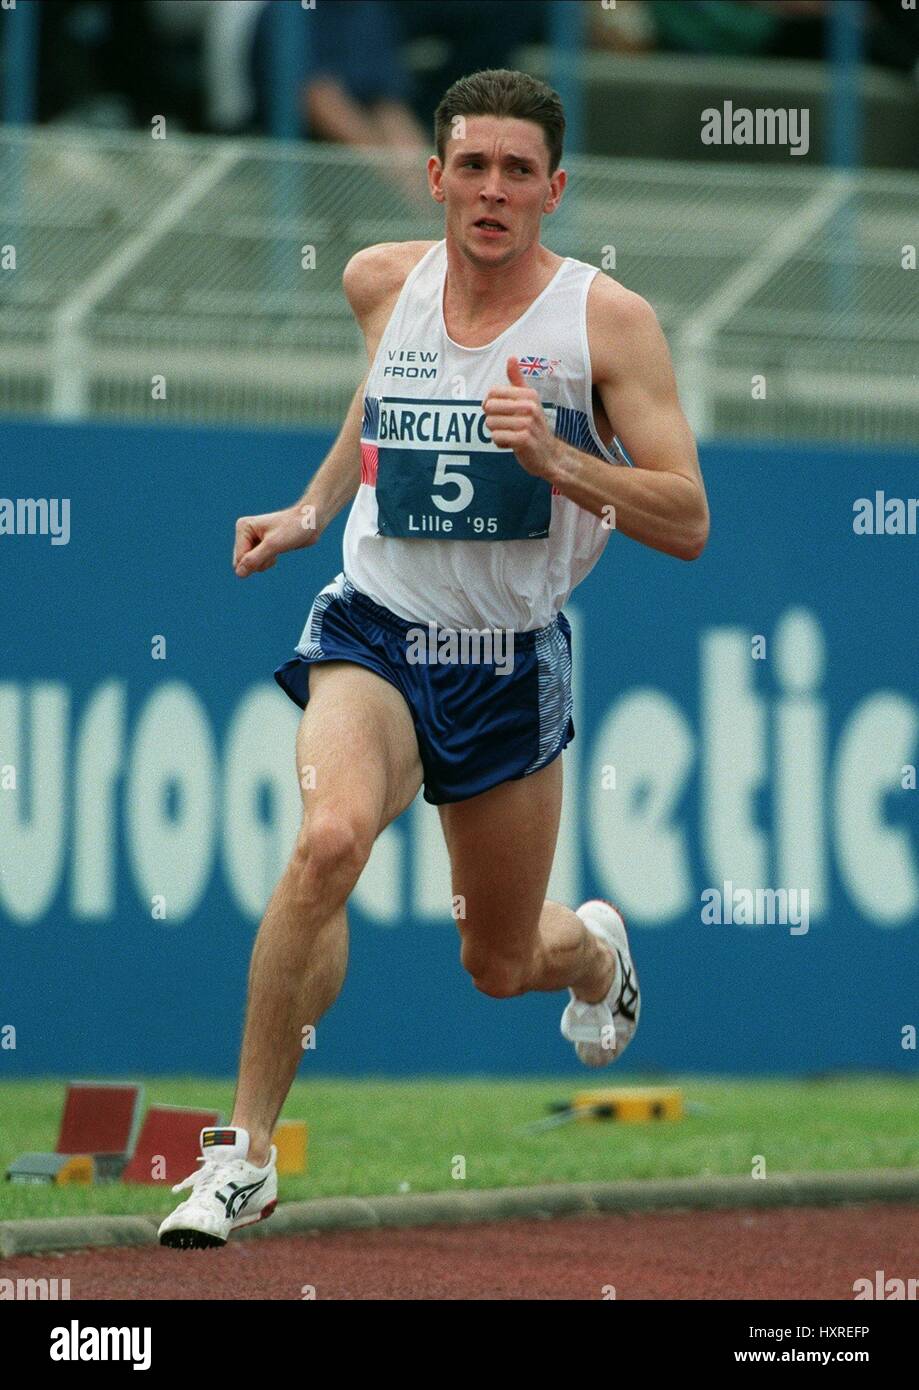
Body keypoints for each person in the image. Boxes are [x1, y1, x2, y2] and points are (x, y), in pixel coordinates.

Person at [158, 67, 709, 1250]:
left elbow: (686, 518)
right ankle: (244, 1154)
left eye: (519, 171)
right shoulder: (382, 283)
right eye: (473, 166)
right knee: (328, 841)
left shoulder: (604, 324)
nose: (493, 191)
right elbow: (382, 401)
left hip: (507, 659)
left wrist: (564, 462)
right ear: (436, 178)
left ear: (555, 189)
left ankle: (594, 954)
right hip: (376, 625)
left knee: (497, 960)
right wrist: (311, 514)